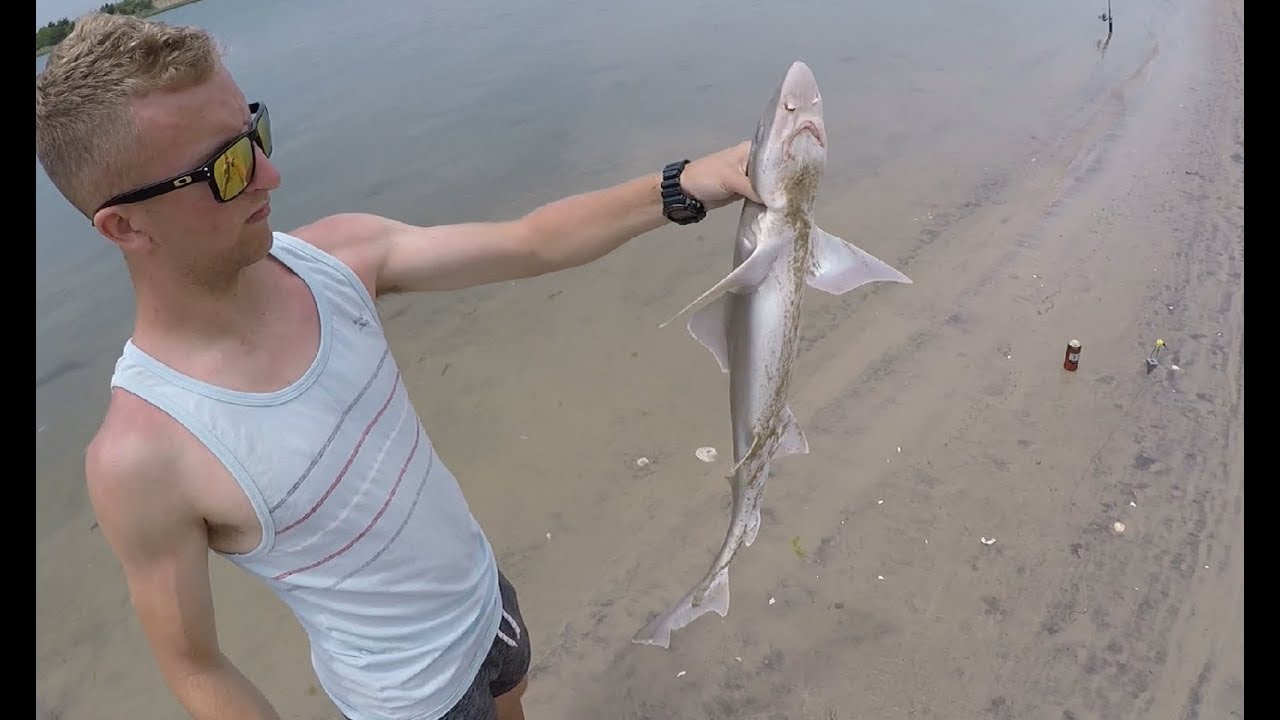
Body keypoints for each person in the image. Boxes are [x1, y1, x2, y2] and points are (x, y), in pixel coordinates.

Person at [35, 12, 760, 720]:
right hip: (411, 699)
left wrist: (692, 181)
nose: (271, 174)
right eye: (227, 168)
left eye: (255, 135)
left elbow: (532, 242)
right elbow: (195, 665)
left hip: (486, 597)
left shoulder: (337, 260)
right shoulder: (144, 454)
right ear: (124, 225)